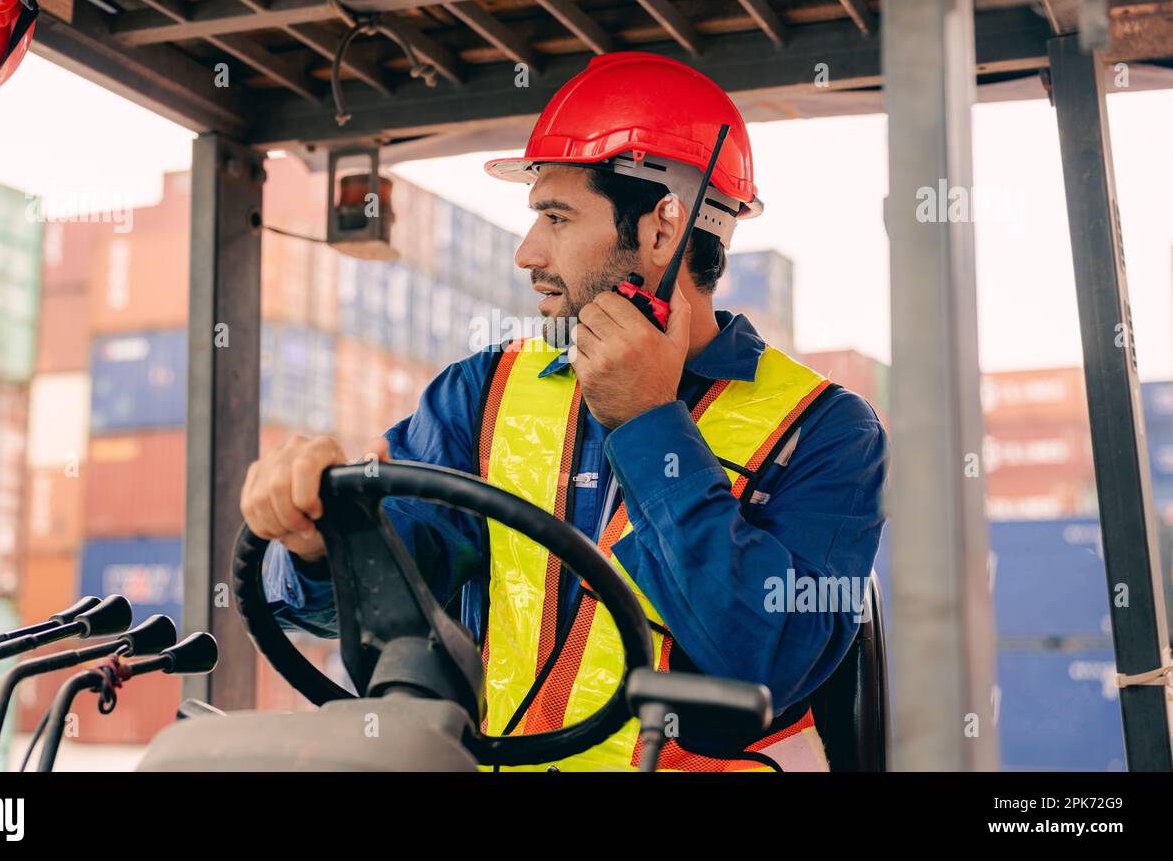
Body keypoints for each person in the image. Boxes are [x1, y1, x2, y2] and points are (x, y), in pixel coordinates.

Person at [240, 51, 888, 771]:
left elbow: (766, 662)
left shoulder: (827, 430)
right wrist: (316, 542)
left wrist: (647, 424)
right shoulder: (481, 393)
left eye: (556, 216)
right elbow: (371, 596)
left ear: (662, 229)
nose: (527, 252)